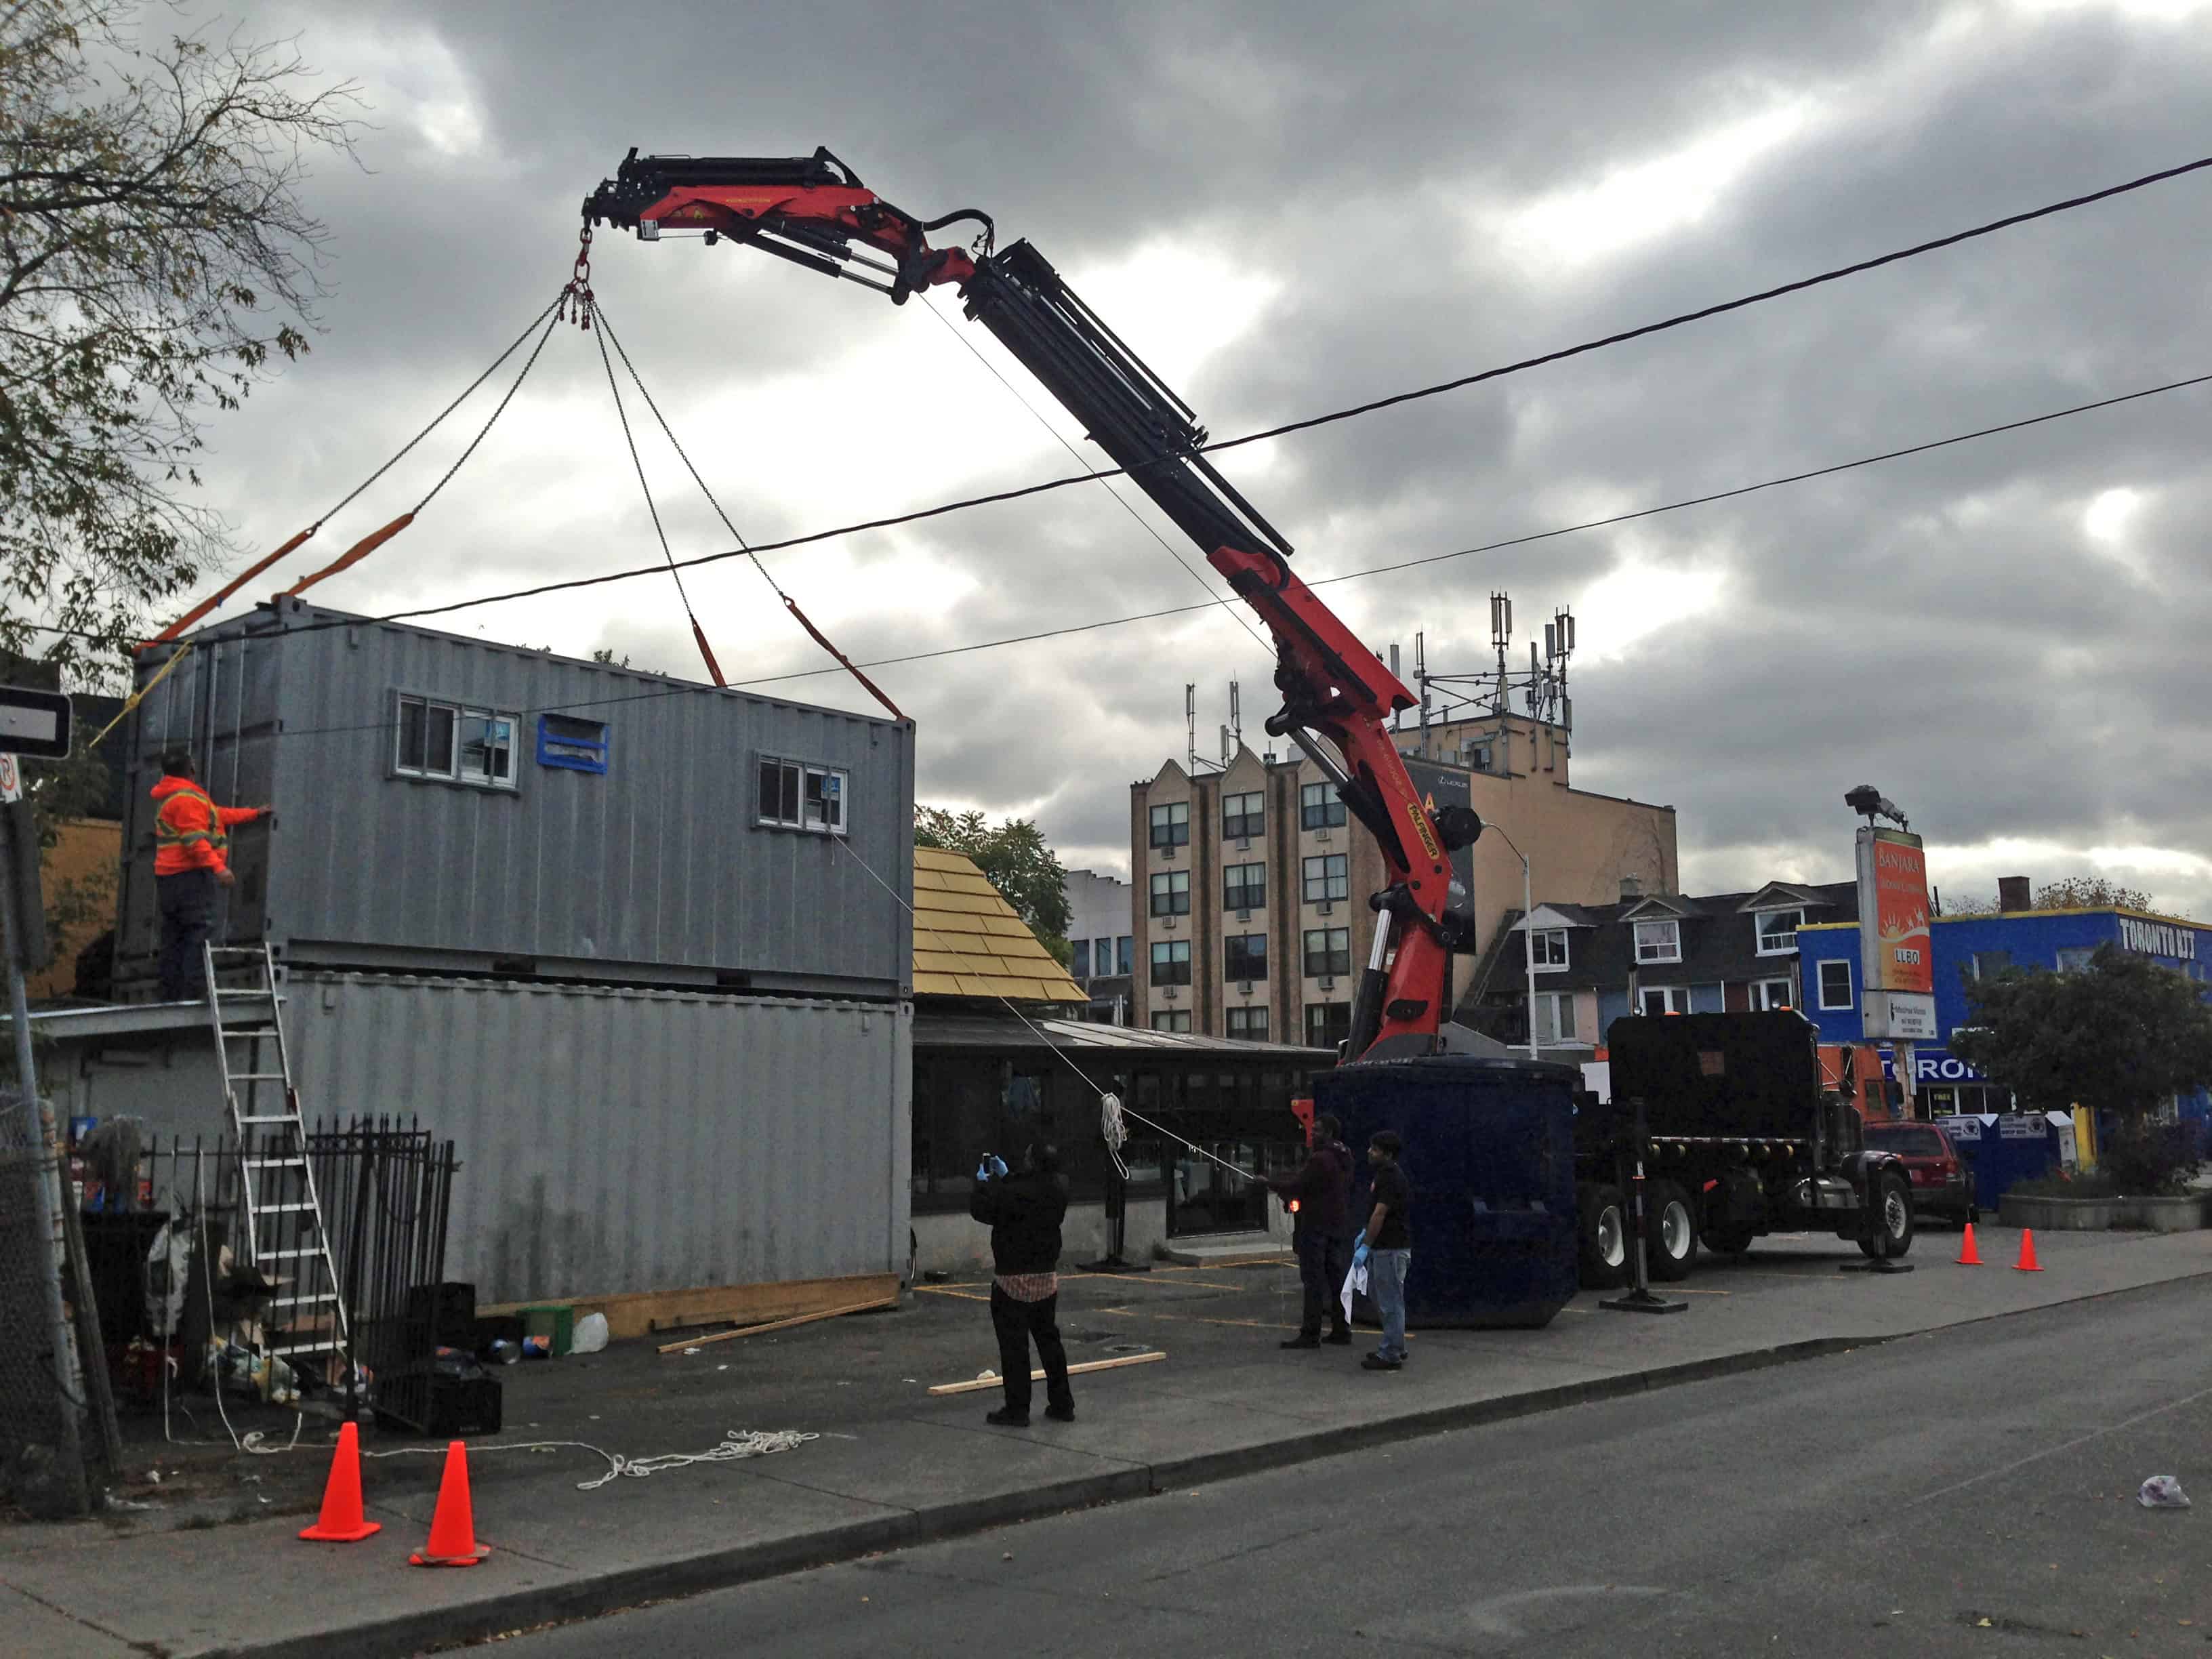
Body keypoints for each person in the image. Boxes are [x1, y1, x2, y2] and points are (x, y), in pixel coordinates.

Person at [968, 1141, 1075, 1427]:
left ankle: (1018, 1409)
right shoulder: (1059, 1188)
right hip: (1045, 1276)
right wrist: (1007, 1178)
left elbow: (984, 1210)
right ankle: (1062, 1403)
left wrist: (982, 1185)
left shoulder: (1013, 1193)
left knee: (1015, 1348)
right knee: (1049, 1342)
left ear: (1031, 1164)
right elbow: (1030, 1192)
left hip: (1012, 1279)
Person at [150, 749, 266, 1002]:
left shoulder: (177, 797)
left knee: (175, 935)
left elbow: (217, 816)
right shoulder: (187, 799)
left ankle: (170, 994)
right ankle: (194, 992)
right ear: (191, 768)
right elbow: (195, 841)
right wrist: (219, 868)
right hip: (189, 877)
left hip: (170, 878)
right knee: (199, 931)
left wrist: (253, 813)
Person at [1267, 1111, 1355, 1349]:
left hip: (1316, 1226)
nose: (1312, 1133)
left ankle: (1310, 1334)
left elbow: (1299, 1185)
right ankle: (1341, 1329)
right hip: (1337, 1225)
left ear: (1328, 1132)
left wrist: (1268, 1183)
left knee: (1313, 1280)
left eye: (1316, 1129)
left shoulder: (1321, 1159)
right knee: (1336, 1280)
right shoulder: (1345, 1155)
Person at [1355, 1129, 1412, 1372]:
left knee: (1389, 1302)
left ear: (1387, 1154)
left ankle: (1390, 1353)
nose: (1370, 1152)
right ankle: (1395, 1345)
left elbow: (1380, 1213)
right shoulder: (1386, 1174)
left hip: (1389, 1248)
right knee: (1387, 1300)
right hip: (1388, 1246)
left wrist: (1366, 1243)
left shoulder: (1389, 1176)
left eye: (1375, 1149)